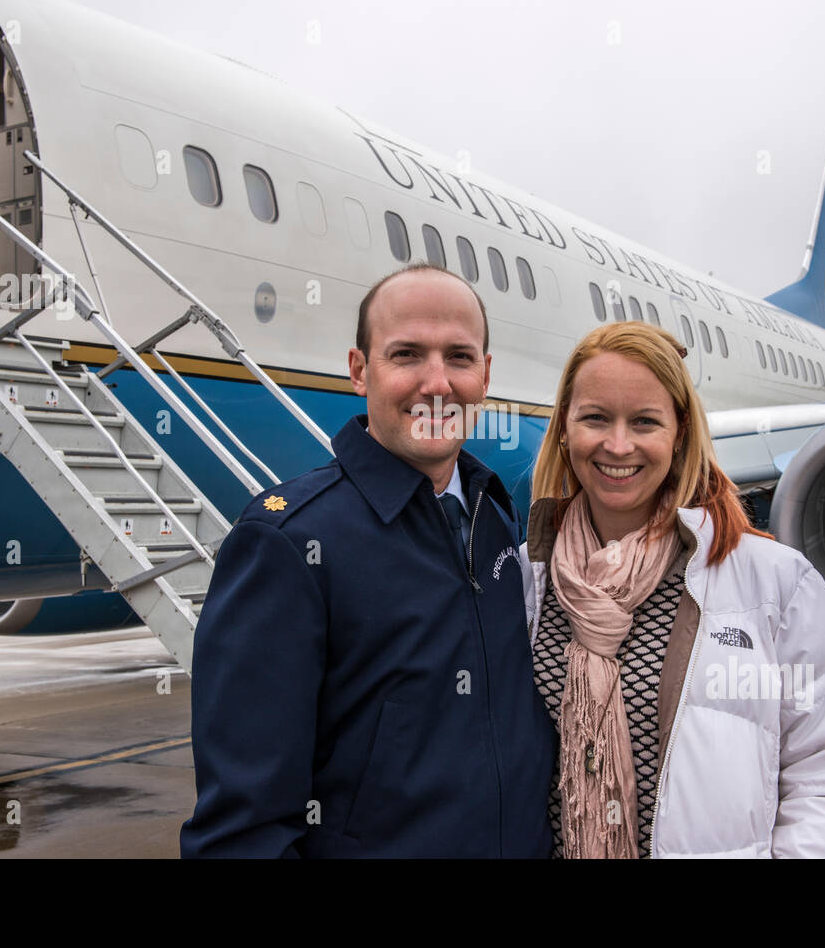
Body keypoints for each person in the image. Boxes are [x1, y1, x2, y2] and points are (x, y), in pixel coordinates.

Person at [180, 262, 556, 858]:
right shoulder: (287, 542)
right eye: (407, 355)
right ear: (360, 371)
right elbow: (241, 834)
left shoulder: (495, 518)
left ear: (485, 376)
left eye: (459, 358)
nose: (437, 383)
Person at [522, 321, 825, 858]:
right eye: (595, 418)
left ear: (680, 435)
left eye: (645, 421)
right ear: (564, 430)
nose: (618, 444)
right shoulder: (528, 581)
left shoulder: (772, 581)